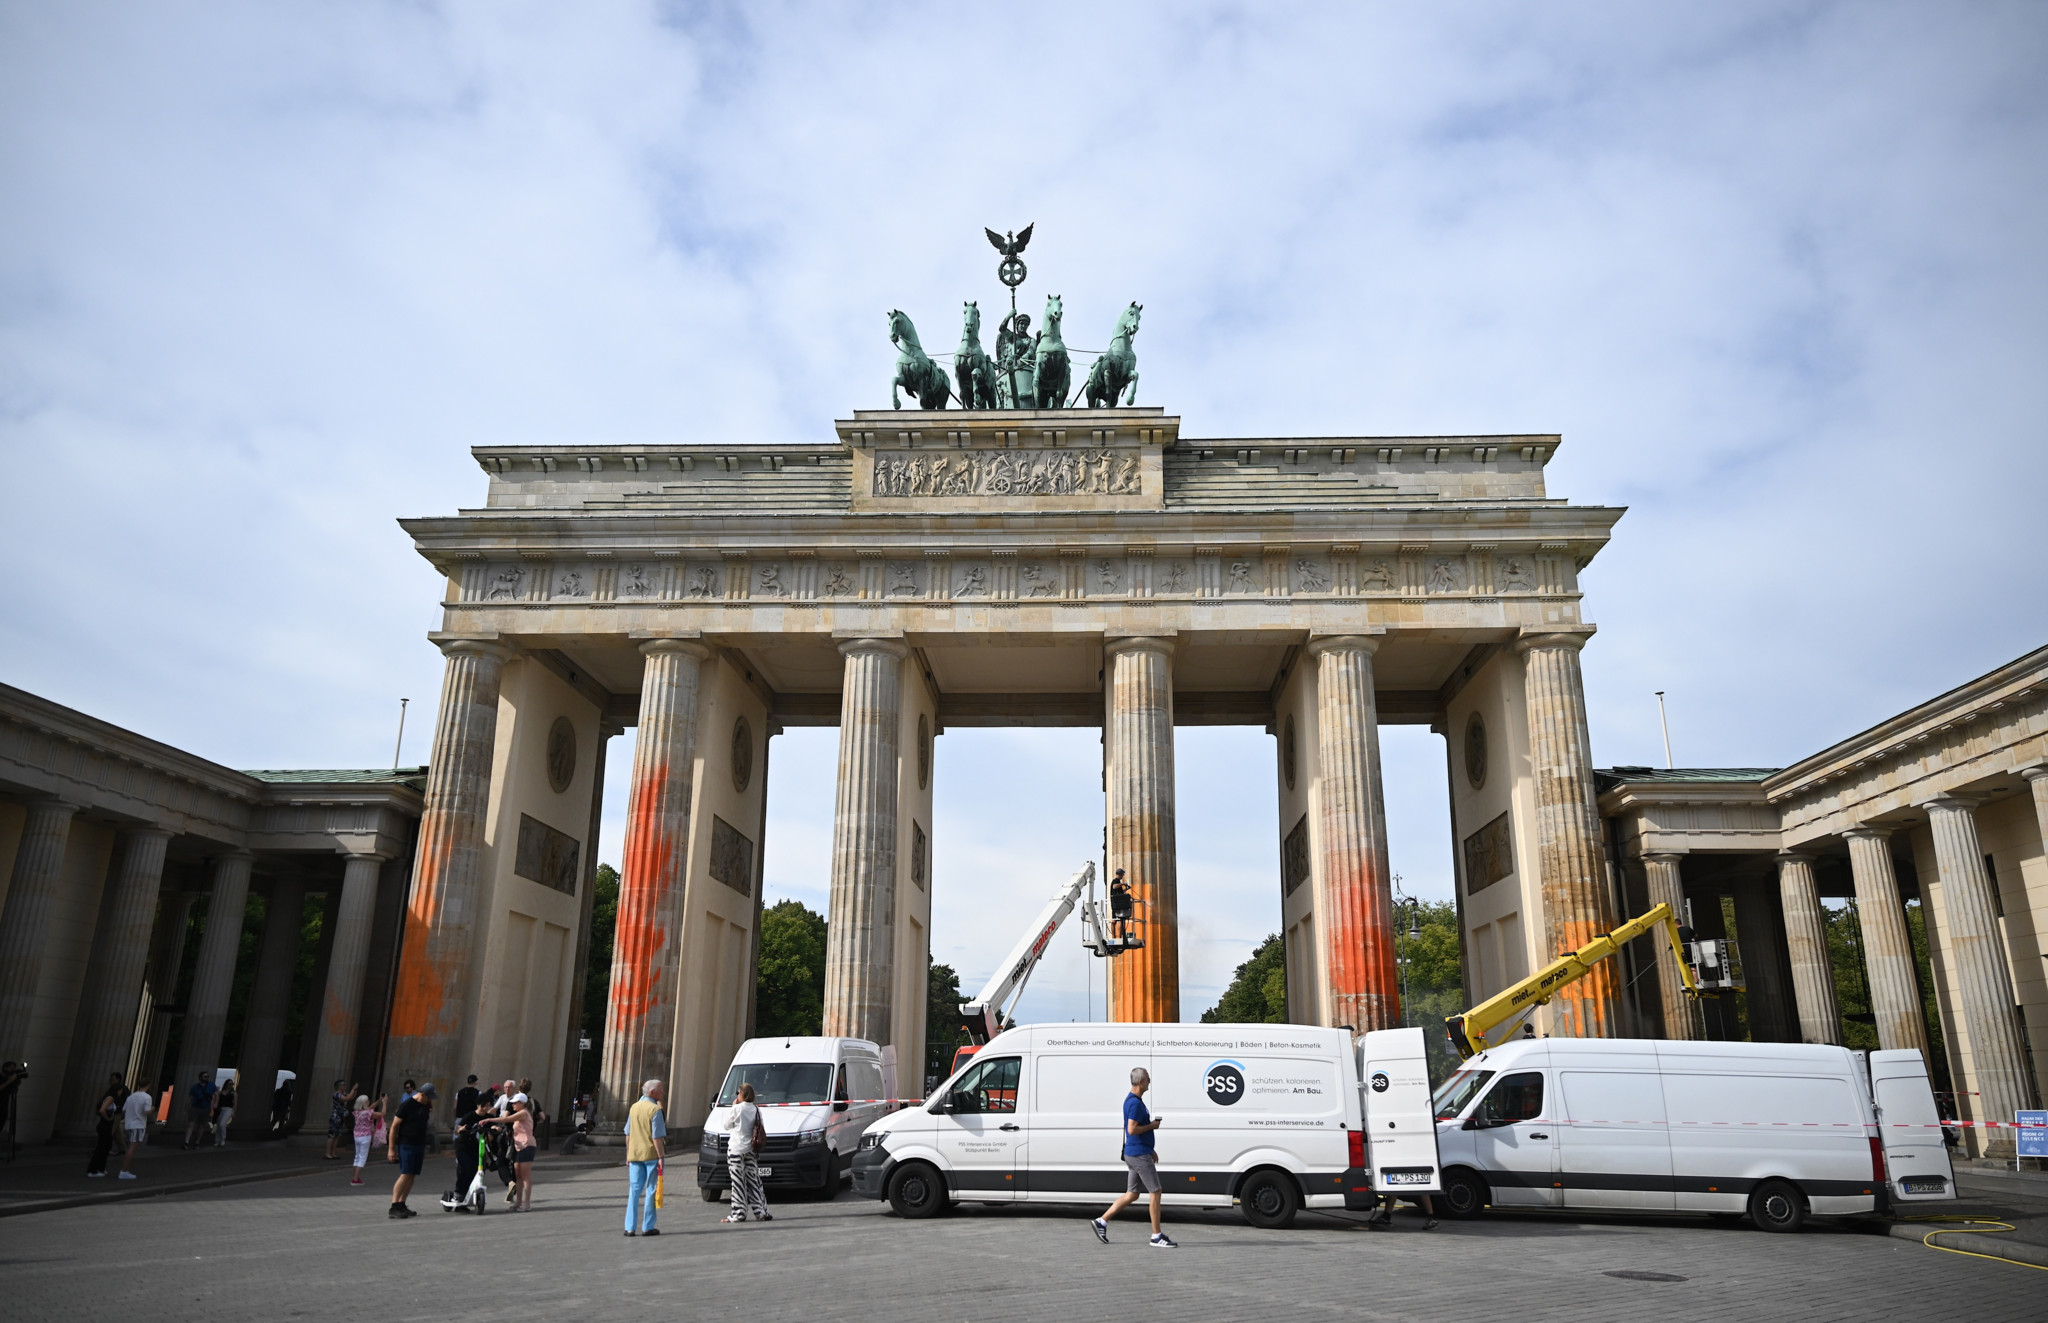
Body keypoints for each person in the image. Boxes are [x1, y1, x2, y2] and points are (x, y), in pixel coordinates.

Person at [1090, 1066, 1174, 1247]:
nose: (1150, 1082)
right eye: (1148, 1079)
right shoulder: (1135, 1103)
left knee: (1132, 1193)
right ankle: (1156, 1236)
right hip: (1138, 1155)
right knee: (1156, 1191)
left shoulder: (1131, 1100)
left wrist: (1150, 1148)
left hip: (1136, 1152)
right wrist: (1152, 1126)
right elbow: (1132, 1129)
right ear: (1141, 1081)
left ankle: (1101, 1221)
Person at [722, 1081, 770, 1224]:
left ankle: (738, 1213)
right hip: (750, 1149)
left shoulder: (737, 1109)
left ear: (741, 1094)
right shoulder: (756, 1109)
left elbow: (726, 1126)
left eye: (738, 1093)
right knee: (754, 1180)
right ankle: (761, 1211)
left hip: (736, 1149)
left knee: (738, 1182)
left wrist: (733, 1106)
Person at [624, 1079, 666, 1237]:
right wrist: (661, 1156)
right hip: (651, 1155)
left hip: (634, 1154)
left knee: (634, 1191)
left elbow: (628, 1133)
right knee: (651, 1190)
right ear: (652, 1092)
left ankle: (630, 1227)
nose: (663, 1093)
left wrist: (628, 1153)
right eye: (661, 1090)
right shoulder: (655, 1110)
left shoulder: (634, 1108)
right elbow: (657, 1137)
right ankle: (647, 1226)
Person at [386, 1081, 434, 1218]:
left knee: (412, 1174)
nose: (430, 1100)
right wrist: (391, 1149)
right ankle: (394, 1206)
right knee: (405, 1173)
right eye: (429, 1097)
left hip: (419, 1144)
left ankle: (402, 1203)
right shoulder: (407, 1105)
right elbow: (394, 1126)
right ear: (423, 1094)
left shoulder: (425, 1106)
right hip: (406, 1143)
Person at [480, 1095, 536, 1211]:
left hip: (527, 1146)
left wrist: (489, 1119)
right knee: (518, 1176)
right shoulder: (519, 1114)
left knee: (525, 1176)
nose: (513, 1105)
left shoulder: (523, 1113)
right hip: (518, 1146)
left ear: (522, 1103)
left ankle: (527, 1203)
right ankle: (518, 1202)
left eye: (515, 1103)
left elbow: (506, 1119)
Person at [449, 1075, 483, 1209]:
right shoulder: (478, 1093)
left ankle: (459, 1162)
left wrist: (456, 1117)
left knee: (458, 1141)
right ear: (475, 1082)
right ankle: (463, 1163)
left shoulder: (459, 1092)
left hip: (459, 1118)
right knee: (468, 1141)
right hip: (470, 1120)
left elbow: (455, 1107)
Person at [85, 1072, 125, 1177]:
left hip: (105, 1125)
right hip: (105, 1125)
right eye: (120, 1090)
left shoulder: (110, 1097)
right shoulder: (111, 1098)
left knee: (105, 1147)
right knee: (102, 1148)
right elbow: (102, 1110)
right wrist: (108, 1118)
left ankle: (100, 1169)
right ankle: (93, 1170)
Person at [118, 1080, 153, 1180]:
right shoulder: (147, 1097)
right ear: (148, 1085)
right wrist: (153, 1109)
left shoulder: (131, 1096)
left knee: (130, 1146)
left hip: (129, 1124)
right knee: (132, 1148)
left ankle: (125, 1170)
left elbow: (124, 1110)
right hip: (138, 1124)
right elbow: (147, 1112)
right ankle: (124, 1171)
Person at [349, 1094, 384, 1187]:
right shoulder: (369, 1113)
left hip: (356, 1136)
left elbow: (370, 1107)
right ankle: (356, 1179)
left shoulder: (357, 1112)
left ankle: (354, 1177)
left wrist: (379, 1100)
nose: (369, 1102)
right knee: (362, 1158)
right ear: (364, 1103)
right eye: (367, 1100)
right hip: (365, 1136)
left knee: (357, 1156)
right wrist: (385, 1103)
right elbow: (382, 1114)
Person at [181, 1072, 217, 1149]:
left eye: (207, 1076)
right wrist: (186, 1109)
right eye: (205, 1076)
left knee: (201, 1125)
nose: (206, 1078)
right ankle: (186, 1141)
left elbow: (216, 1095)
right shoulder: (195, 1087)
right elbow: (190, 1098)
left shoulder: (211, 1085)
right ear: (200, 1077)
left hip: (205, 1108)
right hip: (195, 1107)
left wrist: (214, 1104)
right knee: (191, 1124)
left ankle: (197, 1141)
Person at [324, 1079, 357, 1159]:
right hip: (336, 1116)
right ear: (338, 1086)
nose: (344, 1086)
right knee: (332, 1135)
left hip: (341, 1116)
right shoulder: (336, 1094)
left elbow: (351, 1096)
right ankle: (327, 1153)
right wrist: (353, 1089)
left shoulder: (343, 1093)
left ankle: (333, 1152)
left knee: (337, 1135)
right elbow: (346, 1099)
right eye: (343, 1085)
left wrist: (354, 1090)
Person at [1109, 868, 1135, 942]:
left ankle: (1115, 937)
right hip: (1118, 905)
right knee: (1120, 921)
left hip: (1115, 904)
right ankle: (1119, 937)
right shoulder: (1116, 881)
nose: (1123, 876)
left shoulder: (1117, 883)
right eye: (1123, 874)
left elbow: (1118, 892)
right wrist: (1123, 883)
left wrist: (1125, 890)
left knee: (1114, 921)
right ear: (1120, 874)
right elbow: (1114, 886)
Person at [211, 1075, 236, 1146]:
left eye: (232, 1084)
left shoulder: (234, 1093)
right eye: (229, 1084)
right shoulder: (220, 1092)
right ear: (226, 1084)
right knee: (219, 1125)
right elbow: (215, 1098)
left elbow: (235, 1103)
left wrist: (233, 1112)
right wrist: (214, 1105)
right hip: (221, 1109)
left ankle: (222, 1139)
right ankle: (217, 1141)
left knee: (222, 1124)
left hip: (229, 1109)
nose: (231, 1085)